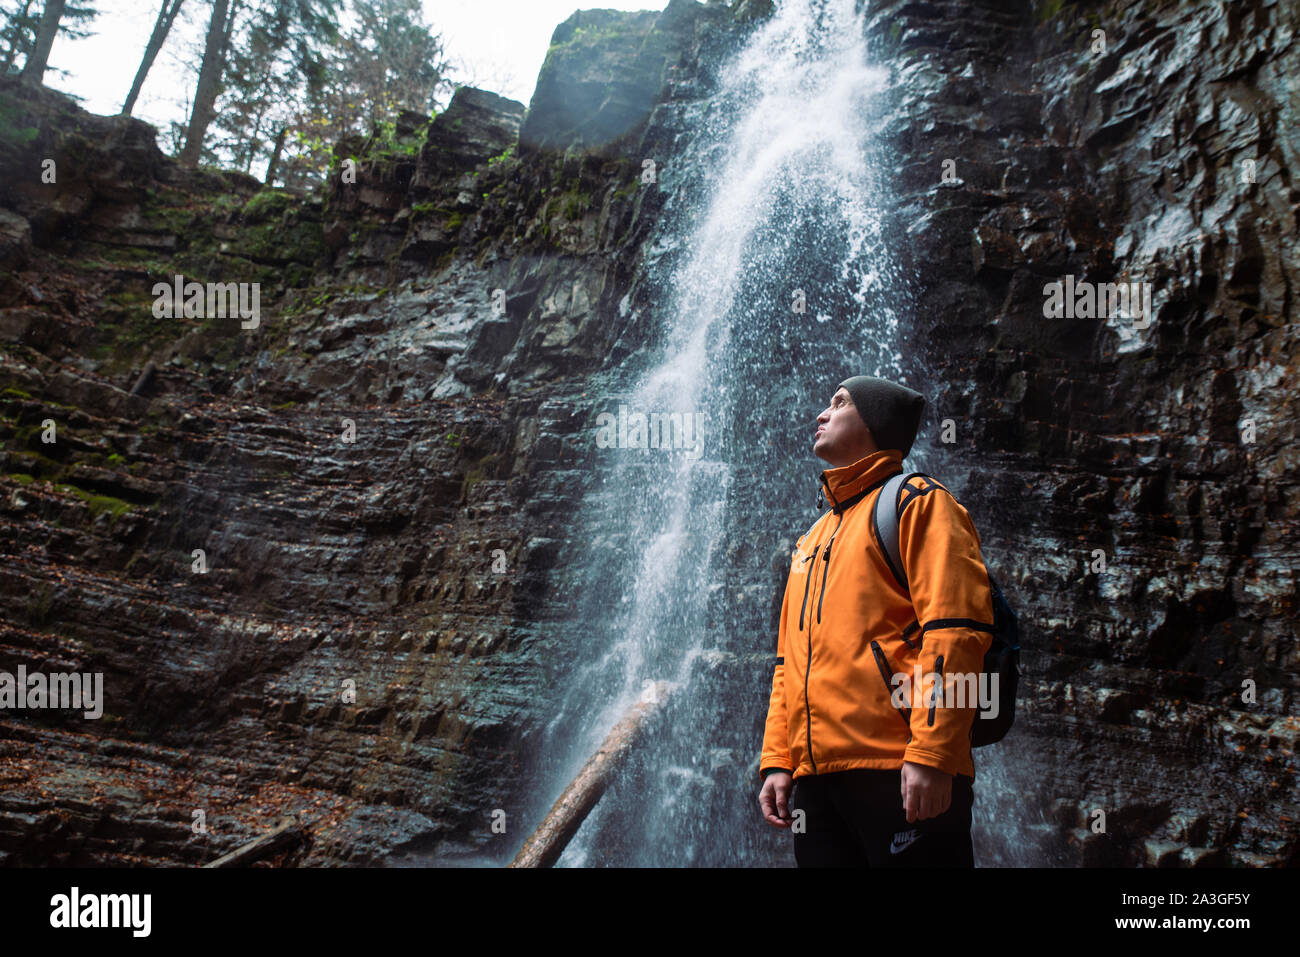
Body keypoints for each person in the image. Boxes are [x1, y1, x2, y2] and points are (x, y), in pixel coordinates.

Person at [756, 375, 996, 867]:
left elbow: (957, 631)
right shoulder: (812, 538)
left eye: (839, 403)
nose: (822, 414)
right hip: (817, 783)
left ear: (874, 422)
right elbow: (789, 663)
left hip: (900, 769)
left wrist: (933, 753)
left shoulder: (919, 503)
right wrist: (779, 761)